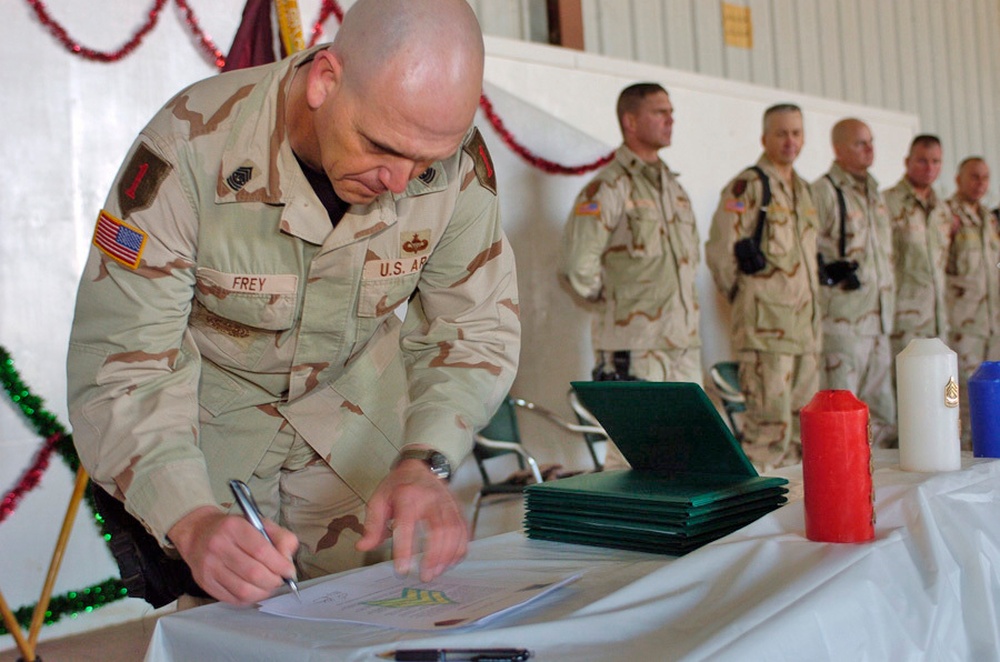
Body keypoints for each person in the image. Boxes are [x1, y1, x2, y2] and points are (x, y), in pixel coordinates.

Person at [66, 0, 520, 607]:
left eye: (426, 162)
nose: (400, 181)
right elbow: (123, 362)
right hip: (210, 451)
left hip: (360, 449)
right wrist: (190, 518)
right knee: (227, 633)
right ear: (325, 80)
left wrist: (425, 460)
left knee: (375, 626)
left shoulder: (455, 164)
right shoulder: (190, 146)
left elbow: (474, 328)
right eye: (380, 146)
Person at [559, 82, 702, 385]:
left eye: (671, 112)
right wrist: (617, 301)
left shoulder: (674, 189)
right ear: (631, 122)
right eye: (659, 113)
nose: (670, 120)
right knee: (640, 420)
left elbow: (691, 261)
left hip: (683, 345)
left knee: (690, 419)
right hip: (635, 347)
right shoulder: (609, 187)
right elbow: (577, 266)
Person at [705, 104, 820, 470]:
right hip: (765, 331)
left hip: (804, 331)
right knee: (768, 432)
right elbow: (721, 251)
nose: (790, 141)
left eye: (796, 133)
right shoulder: (749, 186)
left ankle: (797, 502)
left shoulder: (804, 190)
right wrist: (747, 299)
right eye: (781, 133)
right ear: (764, 138)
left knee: (804, 433)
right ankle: (762, 504)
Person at [811, 118, 896, 447]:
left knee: (883, 420)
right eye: (860, 143)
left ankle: (878, 480)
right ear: (838, 149)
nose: (869, 149)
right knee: (841, 420)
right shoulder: (824, 192)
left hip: (880, 323)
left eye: (871, 142)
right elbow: (807, 253)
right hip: (843, 326)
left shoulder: (875, 194)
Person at [945, 157, 1000, 443]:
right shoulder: (947, 215)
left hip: (991, 325)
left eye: (985, 177)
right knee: (964, 401)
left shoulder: (989, 219)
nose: (980, 183)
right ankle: (966, 456)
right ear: (958, 179)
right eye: (974, 176)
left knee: (991, 396)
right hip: (962, 326)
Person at [883, 135, 952, 360]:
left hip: (938, 319)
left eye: (936, 161)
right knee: (906, 381)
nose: (929, 168)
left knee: (941, 380)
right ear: (907, 162)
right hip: (904, 319)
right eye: (922, 161)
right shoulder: (887, 203)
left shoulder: (942, 209)